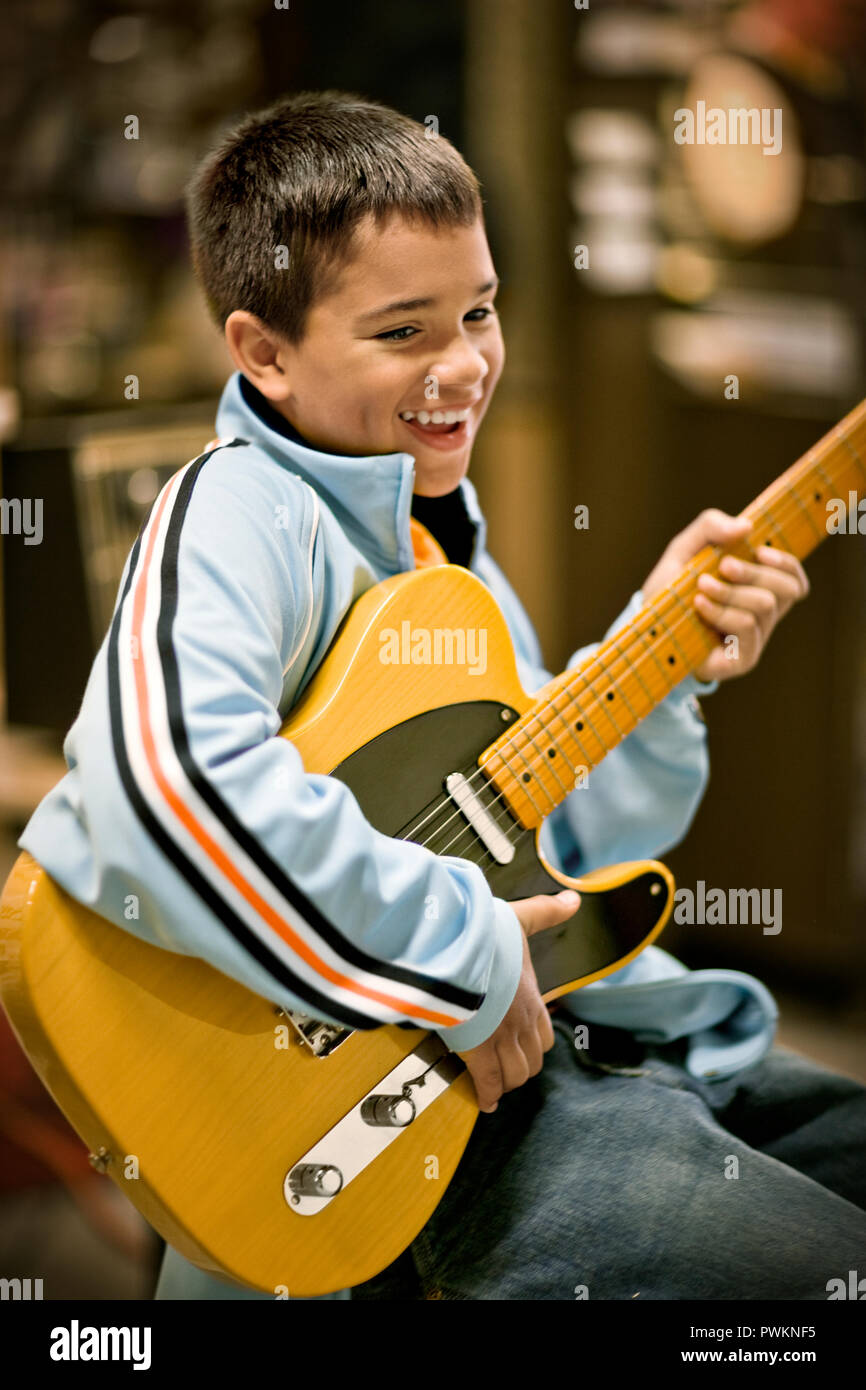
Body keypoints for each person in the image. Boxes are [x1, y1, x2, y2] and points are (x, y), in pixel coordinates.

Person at [18, 90, 866, 1301]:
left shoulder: (432, 543)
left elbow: (551, 852)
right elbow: (169, 782)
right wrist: (449, 949)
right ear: (260, 350)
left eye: (478, 311)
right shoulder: (241, 508)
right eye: (402, 331)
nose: (463, 364)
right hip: (432, 1125)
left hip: (597, 1042)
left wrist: (659, 651)